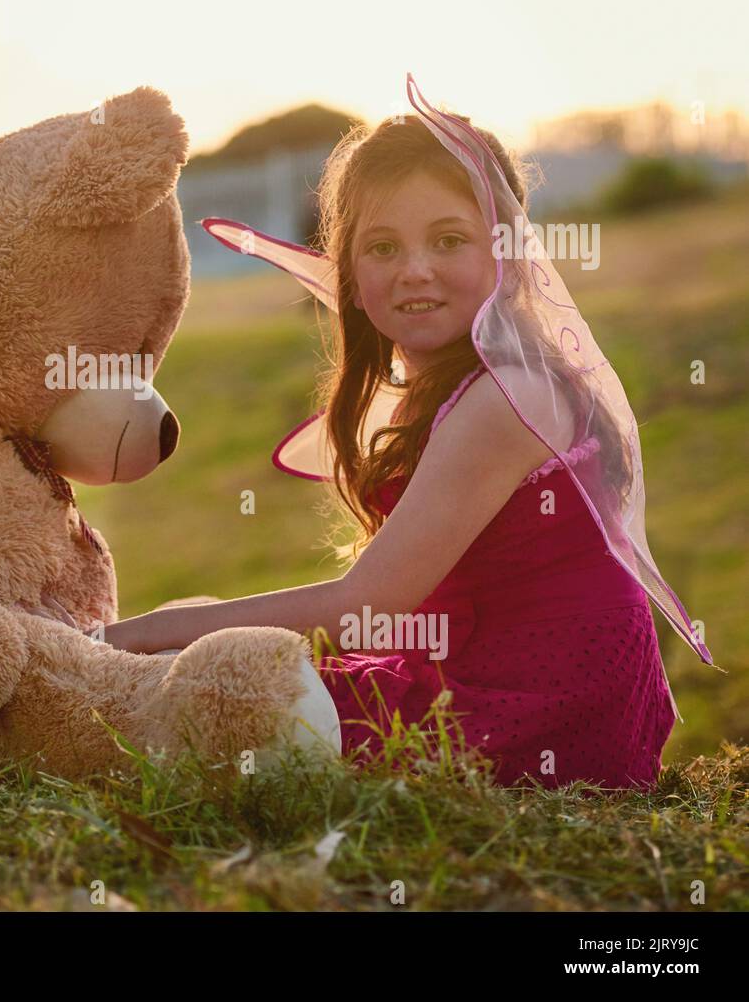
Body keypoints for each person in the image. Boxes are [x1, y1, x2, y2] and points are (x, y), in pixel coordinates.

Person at [100, 78, 710, 791]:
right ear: (350, 274)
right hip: (482, 669)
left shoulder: (510, 397)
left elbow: (366, 607)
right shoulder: (456, 384)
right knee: (209, 641)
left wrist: (149, 629)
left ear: (505, 252)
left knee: (216, 680)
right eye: (382, 247)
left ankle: (84, 678)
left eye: (448, 239)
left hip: (539, 709)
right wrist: (187, 625)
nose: (414, 269)